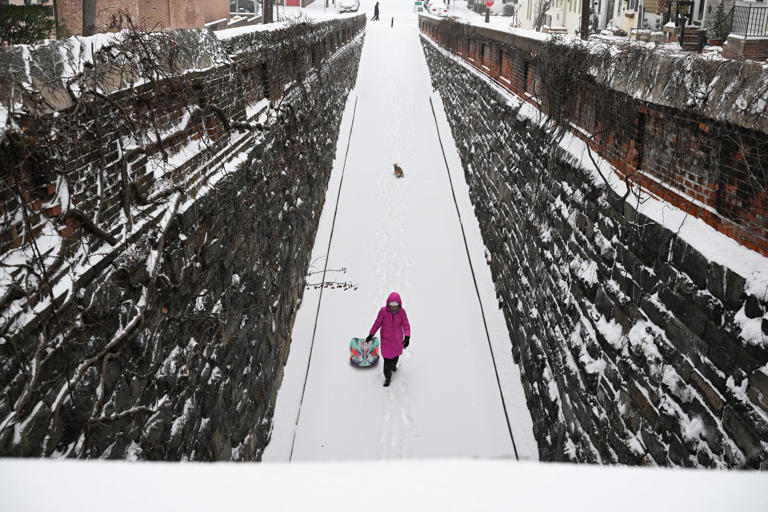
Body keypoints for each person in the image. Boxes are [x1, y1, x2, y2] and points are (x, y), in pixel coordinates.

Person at [366, 292, 411, 387]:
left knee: (395, 357)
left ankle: (393, 365)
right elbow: (377, 324)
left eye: (396, 306)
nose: (393, 308)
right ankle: (387, 378)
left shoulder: (402, 312)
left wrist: (407, 337)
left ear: (399, 305)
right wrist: (371, 334)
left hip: (398, 341)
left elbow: (406, 325)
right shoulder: (383, 312)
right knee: (387, 362)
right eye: (391, 306)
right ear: (388, 304)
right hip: (386, 341)